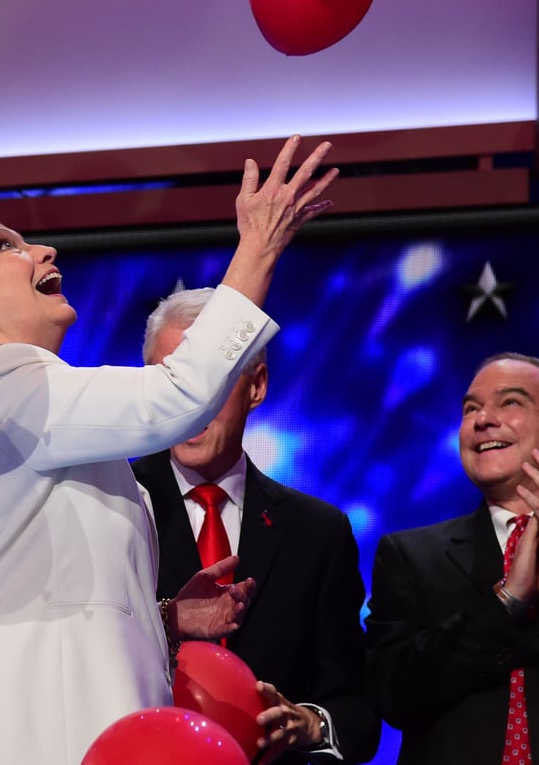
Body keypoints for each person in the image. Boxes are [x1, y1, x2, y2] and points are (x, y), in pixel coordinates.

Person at [0, 136, 337, 764]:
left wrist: (166, 617)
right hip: (21, 727)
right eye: (3, 246)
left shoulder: (25, 411)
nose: (43, 249)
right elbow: (176, 396)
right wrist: (257, 247)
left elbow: (55, 584)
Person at [132, 286, 380, 762]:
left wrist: (309, 722)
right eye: (171, 379)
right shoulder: (112, 508)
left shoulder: (318, 533)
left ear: (257, 386)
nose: (189, 404)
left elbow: (357, 713)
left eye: (211, 381)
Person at [364, 353, 539, 764]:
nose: (483, 420)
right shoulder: (410, 555)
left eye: (510, 402)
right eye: (470, 409)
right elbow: (390, 694)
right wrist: (507, 602)